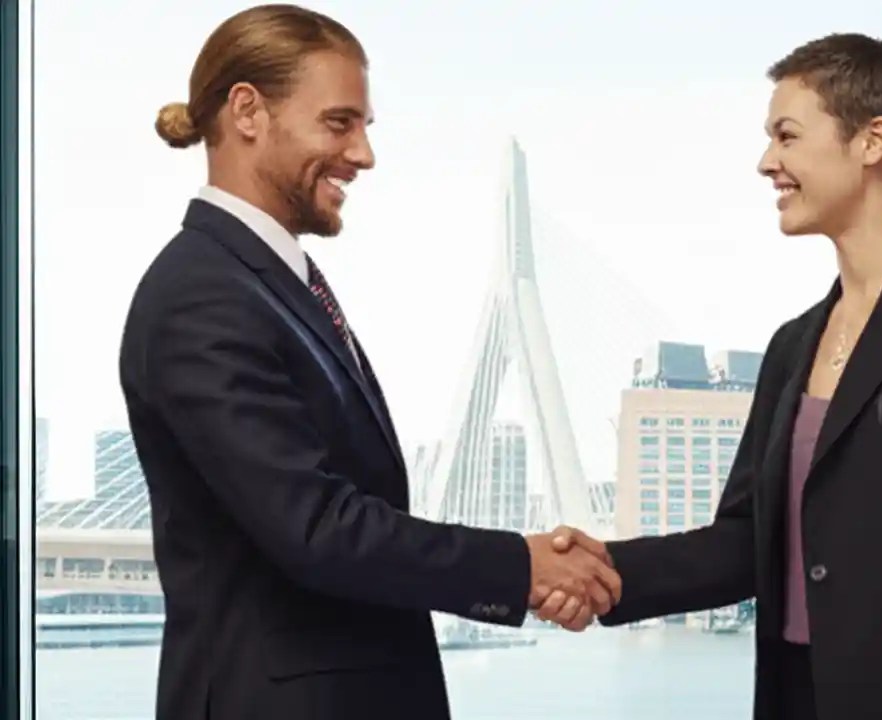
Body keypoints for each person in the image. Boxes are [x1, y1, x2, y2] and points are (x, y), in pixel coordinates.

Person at [537, 32, 882, 719]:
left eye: (787, 135)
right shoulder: (791, 345)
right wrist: (607, 571)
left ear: (872, 141)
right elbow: (746, 541)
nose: (767, 162)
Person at [118, 5, 619, 719]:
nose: (363, 154)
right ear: (248, 111)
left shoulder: (270, 282)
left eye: (364, 127)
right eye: (338, 122)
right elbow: (316, 529)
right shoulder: (203, 294)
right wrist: (522, 564)